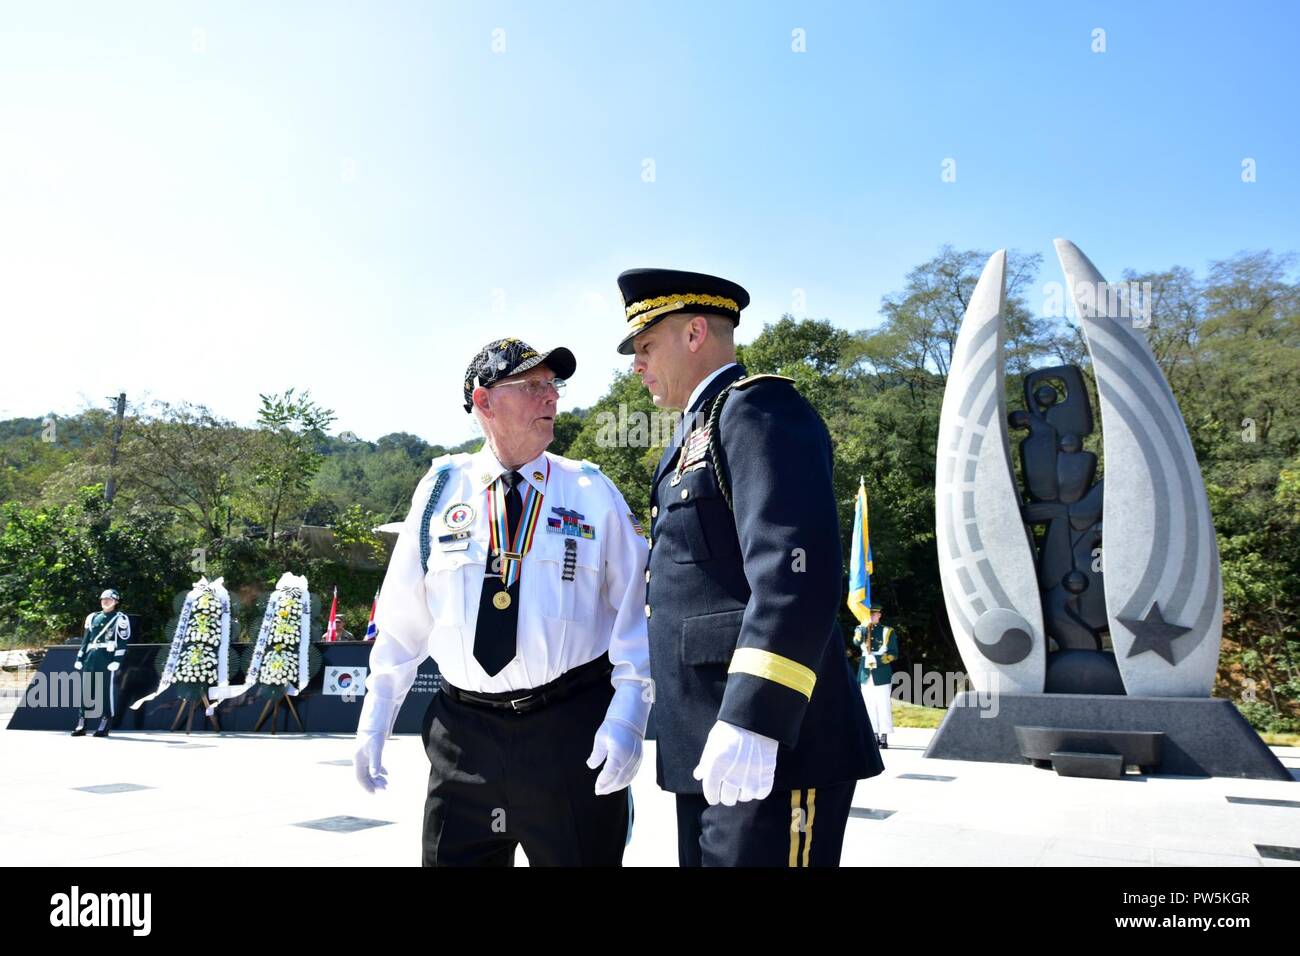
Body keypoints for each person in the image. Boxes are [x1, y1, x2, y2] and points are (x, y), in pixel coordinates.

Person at [617, 267, 883, 867]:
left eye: (645, 345)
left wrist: (753, 717)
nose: (636, 363)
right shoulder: (692, 433)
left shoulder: (757, 409)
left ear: (693, 334)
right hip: (707, 742)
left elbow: (797, 576)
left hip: (772, 741)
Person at [353, 337, 652, 866]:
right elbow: (402, 618)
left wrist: (628, 714)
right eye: (533, 386)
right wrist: (376, 716)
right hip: (463, 738)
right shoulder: (440, 490)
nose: (552, 399)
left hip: (568, 733)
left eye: (553, 385)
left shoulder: (590, 490)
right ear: (484, 401)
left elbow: (636, 612)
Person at [72, 588, 130, 737]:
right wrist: (80, 658)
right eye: (103, 599)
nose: (105, 601)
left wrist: (117, 660)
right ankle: (82, 723)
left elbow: (122, 642)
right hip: (91, 658)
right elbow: (86, 640)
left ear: (116, 602)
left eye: (109, 599)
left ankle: (105, 721)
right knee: (86, 691)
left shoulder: (119, 618)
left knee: (104, 692)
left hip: (106, 659)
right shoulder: (92, 617)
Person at [854, 605, 897, 749]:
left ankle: (883, 735)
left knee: (883, 705)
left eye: (875, 614)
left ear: (880, 615)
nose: (872, 616)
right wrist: (861, 629)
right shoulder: (862, 629)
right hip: (866, 674)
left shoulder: (887, 631)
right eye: (870, 614)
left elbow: (893, 653)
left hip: (882, 674)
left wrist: (878, 660)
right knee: (868, 705)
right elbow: (856, 642)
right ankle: (872, 734)